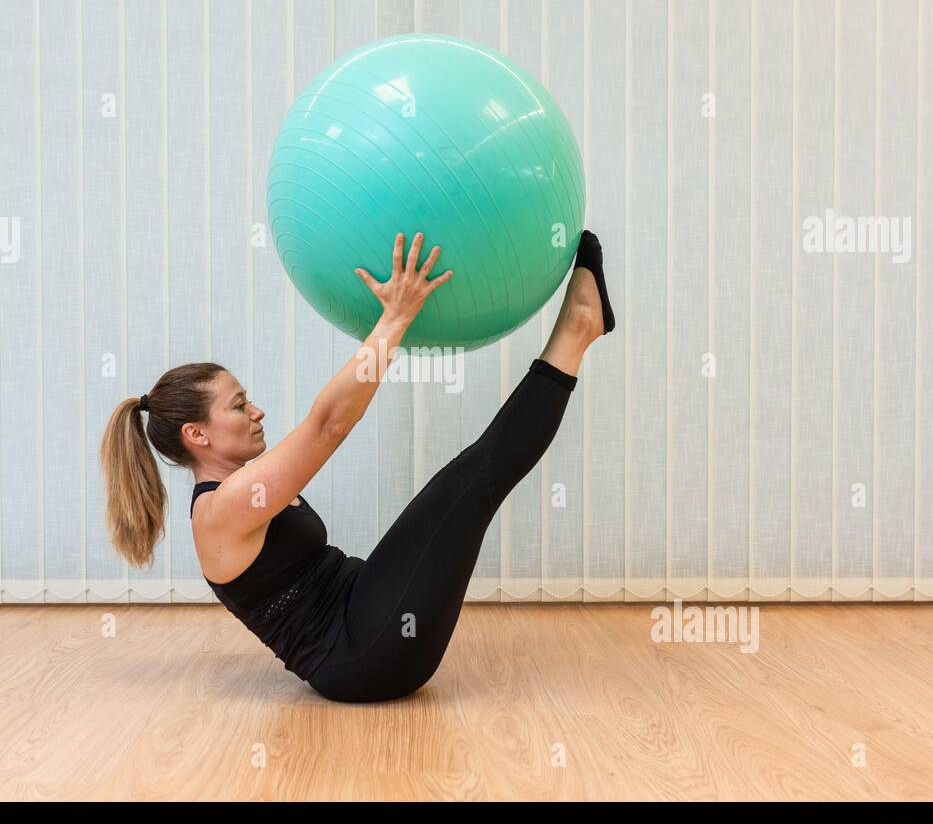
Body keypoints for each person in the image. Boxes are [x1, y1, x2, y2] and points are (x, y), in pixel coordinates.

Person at [100, 229, 614, 702]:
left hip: (366, 615)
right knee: (472, 479)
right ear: (197, 434)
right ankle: (577, 328)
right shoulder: (223, 509)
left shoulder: (239, 488)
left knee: (469, 479)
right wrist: (395, 318)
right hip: (365, 657)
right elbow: (327, 426)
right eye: (238, 406)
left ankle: (578, 329)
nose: (256, 411)